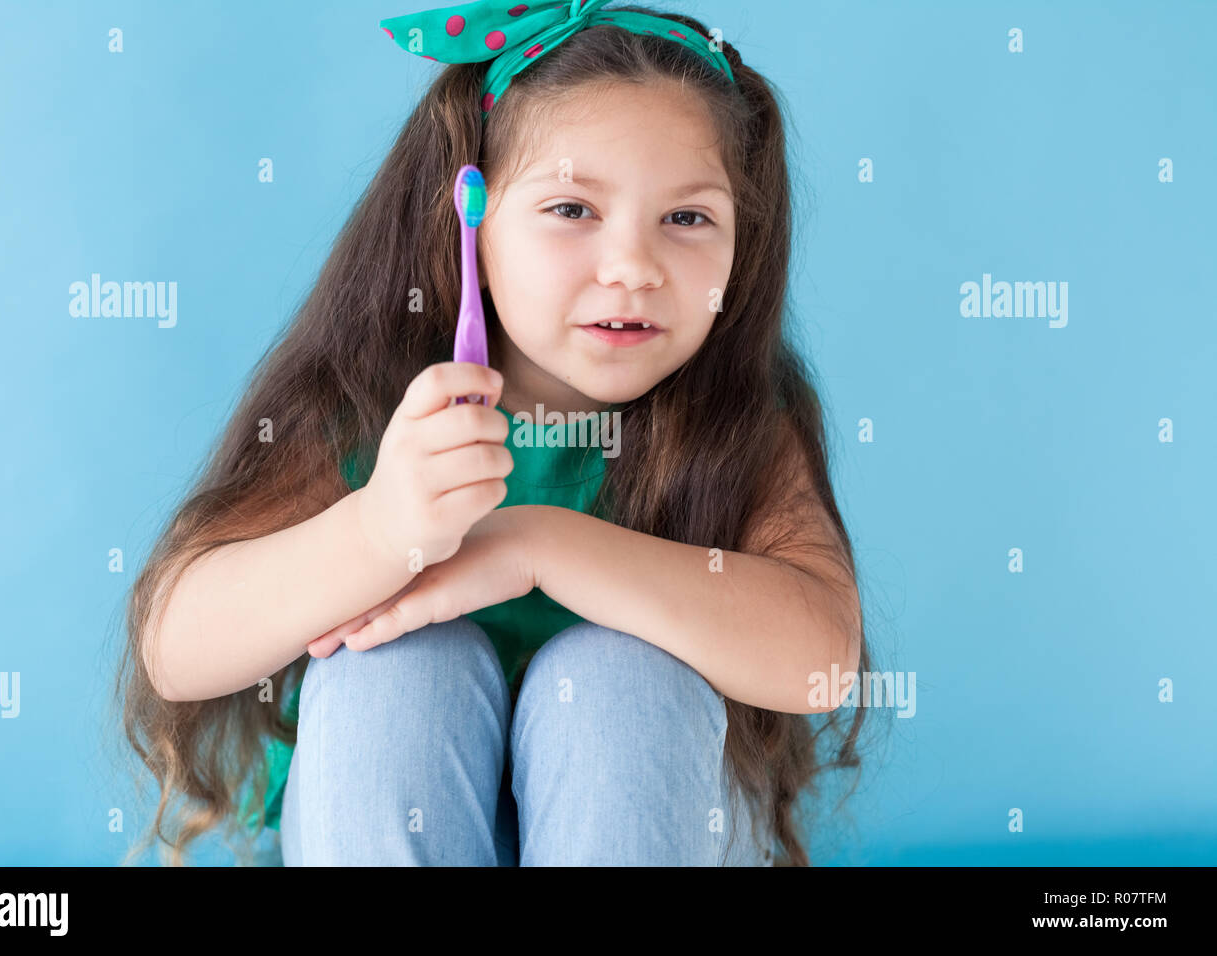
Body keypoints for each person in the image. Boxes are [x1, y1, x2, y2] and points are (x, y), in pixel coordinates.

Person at [118, 0, 874, 867]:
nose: (633, 266)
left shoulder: (736, 422)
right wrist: (375, 530)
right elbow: (178, 647)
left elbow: (821, 657)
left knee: (615, 679)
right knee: (393, 669)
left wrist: (537, 544)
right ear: (467, 221)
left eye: (688, 218)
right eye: (571, 210)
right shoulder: (366, 406)